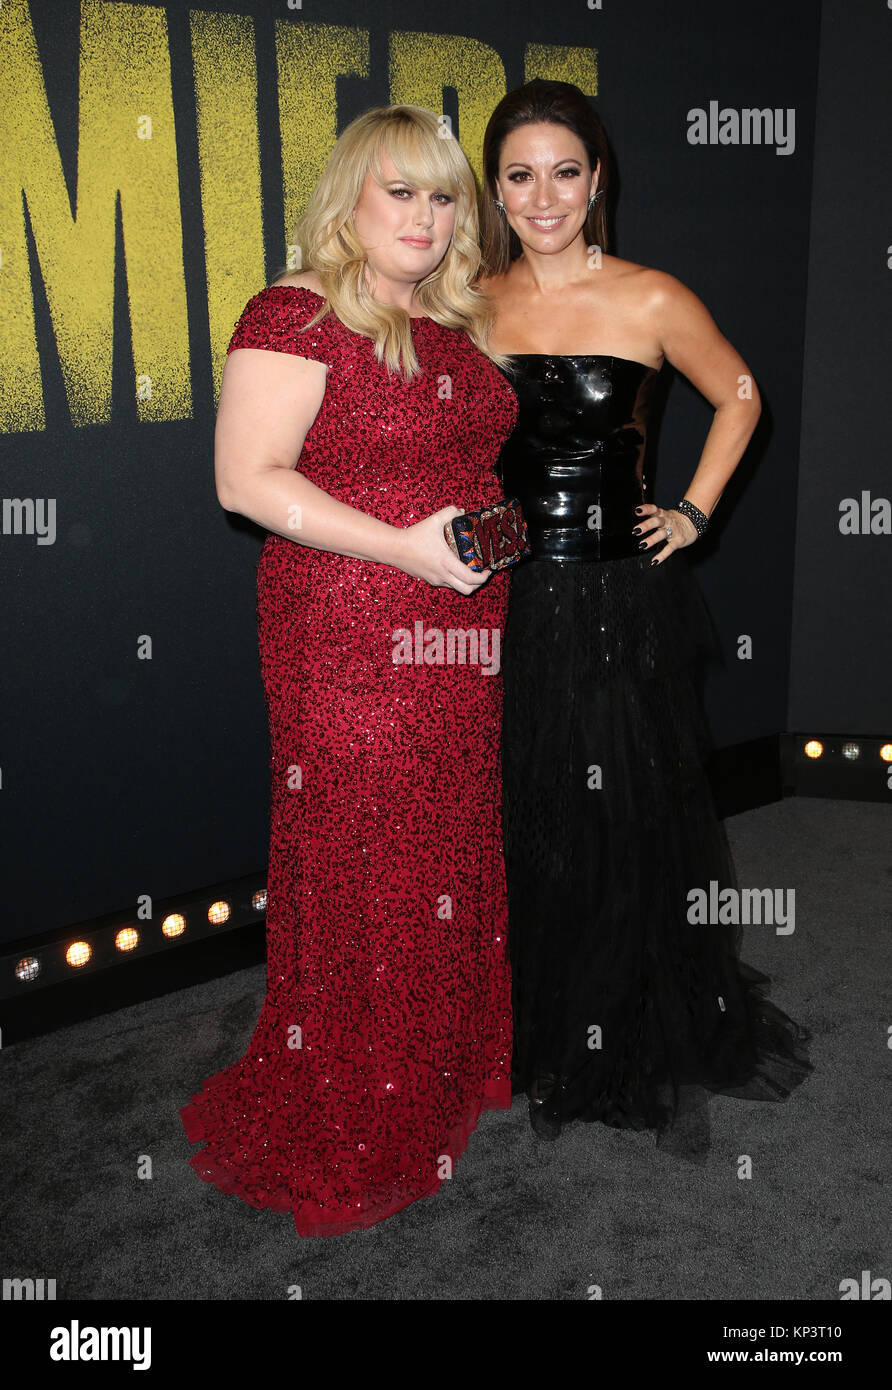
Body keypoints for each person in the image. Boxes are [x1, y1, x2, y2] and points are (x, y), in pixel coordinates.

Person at [180, 105, 519, 1233]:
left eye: (442, 195)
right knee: (367, 854)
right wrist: (403, 545)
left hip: (463, 629)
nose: (424, 216)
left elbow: (462, 463)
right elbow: (247, 477)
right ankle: (358, 1097)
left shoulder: (456, 317)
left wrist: (499, 533)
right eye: (400, 192)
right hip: (349, 635)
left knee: (444, 839)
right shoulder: (297, 311)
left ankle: (436, 1061)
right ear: (349, 202)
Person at [479, 80, 811, 1151]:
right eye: (520, 174)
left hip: (619, 593)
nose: (543, 196)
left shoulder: (650, 297)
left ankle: (623, 1034)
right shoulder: (471, 300)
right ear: (494, 188)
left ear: (597, 179)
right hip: (506, 596)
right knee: (530, 815)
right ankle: (540, 1022)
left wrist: (697, 512)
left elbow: (743, 392)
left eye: (564, 171)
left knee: (622, 816)